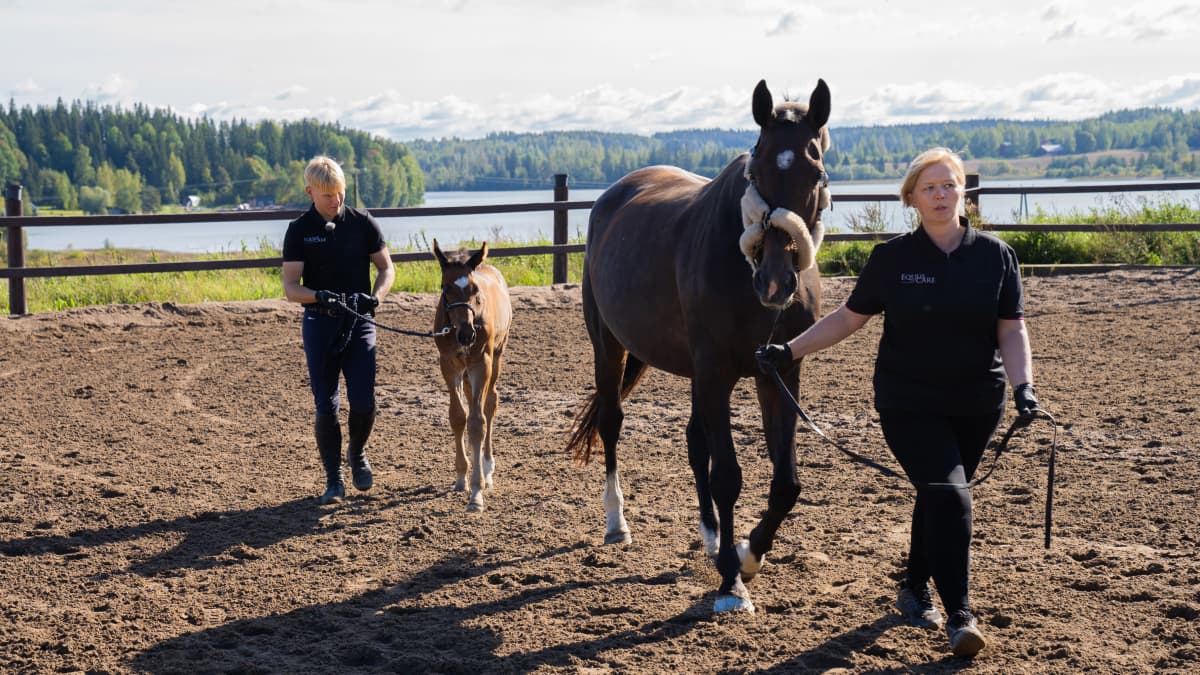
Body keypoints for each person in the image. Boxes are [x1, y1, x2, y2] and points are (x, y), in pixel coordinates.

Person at [755, 147, 1041, 658]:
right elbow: (848, 318)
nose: (940, 194)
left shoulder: (996, 256)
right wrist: (789, 351)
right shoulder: (893, 259)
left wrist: (1024, 389)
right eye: (929, 187)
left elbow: (1011, 329)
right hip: (909, 401)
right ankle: (960, 616)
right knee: (951, 495)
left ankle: (912, 584)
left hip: (979, 401)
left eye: (948, 185)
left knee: (939, 495)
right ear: (911, 197)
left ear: (962, 192)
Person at [282, 156, 395, 504]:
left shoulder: (363, 223)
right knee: (326, 405)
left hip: (359, 323)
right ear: (311, 192)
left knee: (363, 400)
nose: (337, 201)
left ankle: (357, 453)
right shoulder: (300, 230)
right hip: (320, 323)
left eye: (341, 193)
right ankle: (334, 479)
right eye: (329, 195)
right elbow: (290, 288)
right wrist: (318, 296)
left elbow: (387, 269)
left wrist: (375, 298)